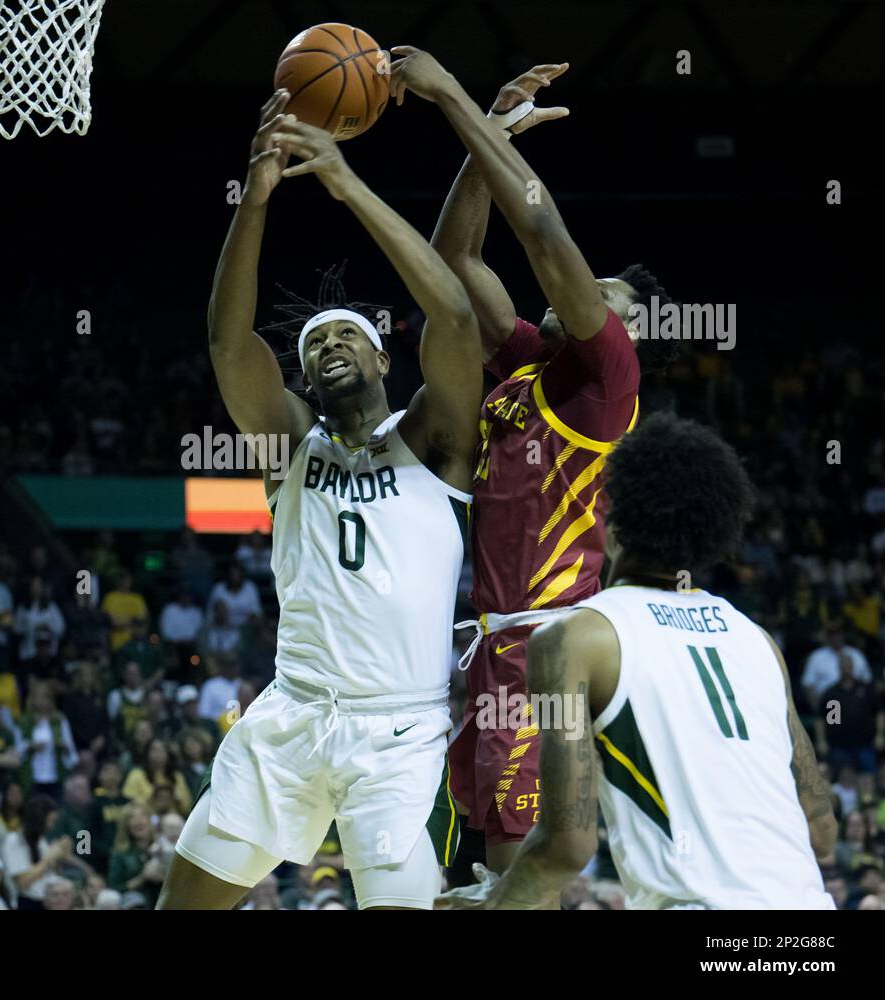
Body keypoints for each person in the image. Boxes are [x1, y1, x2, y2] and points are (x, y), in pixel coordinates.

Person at [160, 88, 481, 911]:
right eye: (315, 345)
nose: (331, 346)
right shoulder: (287, 451)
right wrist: (258, 196)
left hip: (404, 734)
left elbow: (452, 313)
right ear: (307, 379)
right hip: (293, 717)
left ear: (380, 362)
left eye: (348, 337)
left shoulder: (436, 441)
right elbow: (229, 344)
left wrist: (346, 184)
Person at [386, 49, 675, 876]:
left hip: (545, 643)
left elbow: (542, 232)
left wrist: (447, 95)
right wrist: (494, 131)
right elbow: (455, 266)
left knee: (521, 866)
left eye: (606, 292)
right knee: (489, 865)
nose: (581, 290)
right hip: (491, 643)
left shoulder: (604, 383)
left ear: (628, 331)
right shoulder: (525, 364)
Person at [439, 413, 836, 909]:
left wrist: (494, 906)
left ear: (609, 515)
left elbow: (567, 843)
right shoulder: (757, 642)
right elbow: (821, 830)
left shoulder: (573, 638)